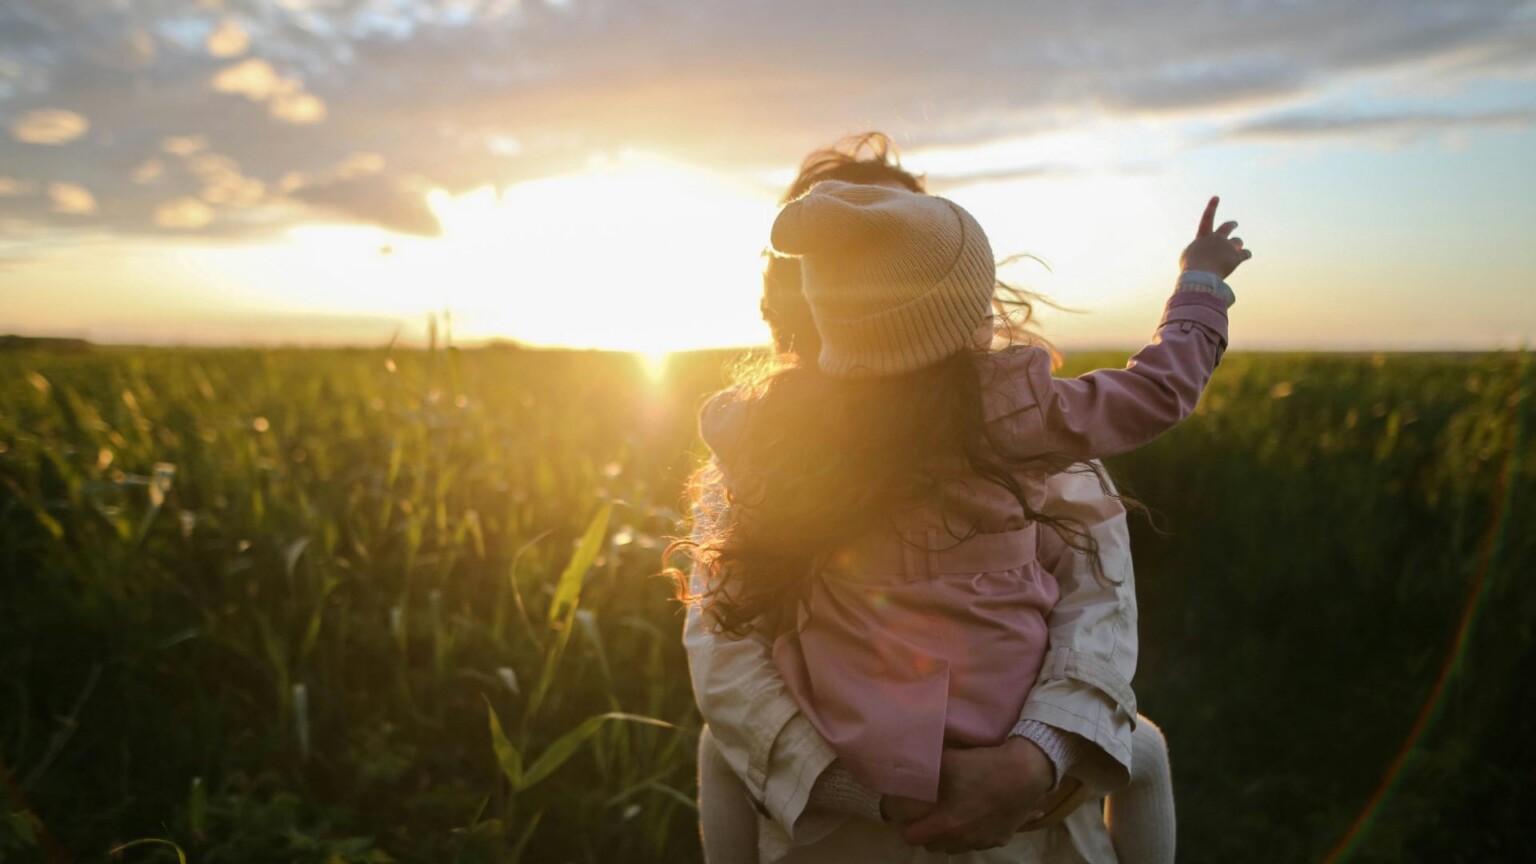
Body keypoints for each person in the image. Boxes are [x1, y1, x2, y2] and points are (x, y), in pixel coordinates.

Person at [681, 135, 1244, 862]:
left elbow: (1096, 609)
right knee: (1149, 751)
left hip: (936, 774)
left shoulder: (770, 432)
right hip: (957, 767)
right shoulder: (1022, 418)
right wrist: (1201, 287)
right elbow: (1159, 391)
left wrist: (1026, 761)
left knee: (715, 749)